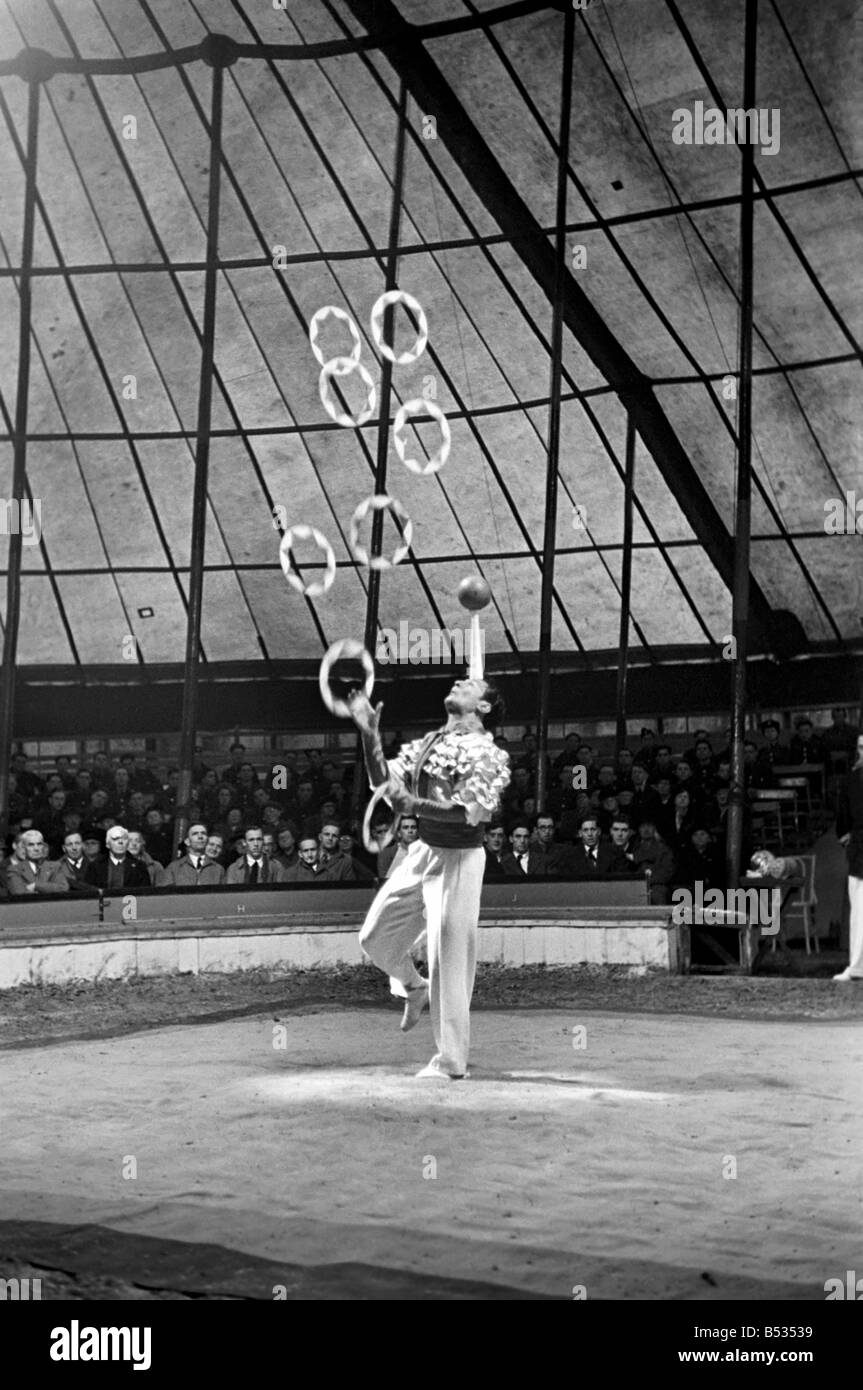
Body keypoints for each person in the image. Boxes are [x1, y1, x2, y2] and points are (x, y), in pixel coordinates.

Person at [348, 675, 509, 1080]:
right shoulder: (430, 742)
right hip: (423, 851)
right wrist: (370, 735)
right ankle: (411, 986)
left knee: (449, 962)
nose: (459, 681)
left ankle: (451, 1062)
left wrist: (412, 803)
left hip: (459, 860)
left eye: (470, 684)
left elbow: (468, 813)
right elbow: (383, 783)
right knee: (374, 937)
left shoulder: (487, 753)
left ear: (484, 707)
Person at [834, 733, 863, 982]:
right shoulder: (852, 780)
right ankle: (857, 967)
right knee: (860, 912)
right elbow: (842, 819)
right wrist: (846, 836)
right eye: (861, 747)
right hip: (860, 851)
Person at [83, 826, 151, 889]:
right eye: (115, 839)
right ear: (108, 844)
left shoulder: (139, 867)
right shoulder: (95, 866)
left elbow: (145, 894)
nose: (120, 842)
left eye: (124, 839)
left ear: (127, 843)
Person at [7, 830, 64, 894]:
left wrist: (36, 886)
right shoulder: (14, 869)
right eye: (31, 845)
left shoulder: (55, 866)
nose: (36, 848)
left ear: (43, 846)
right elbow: (19, 893)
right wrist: (49, 887)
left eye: (39, 844)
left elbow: (63, 888)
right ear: (24, 848)